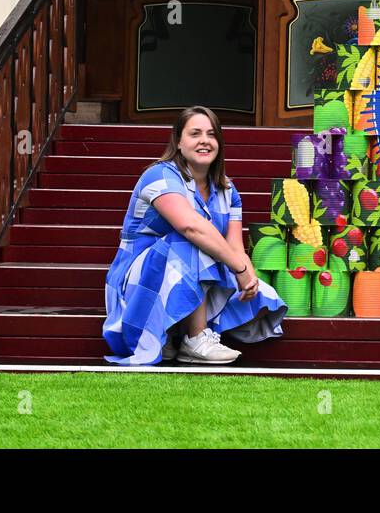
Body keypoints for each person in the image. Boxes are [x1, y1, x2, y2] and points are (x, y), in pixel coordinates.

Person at [103, 106, 286, 365]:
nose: (204, 141)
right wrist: (239, 267)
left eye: (211, 135)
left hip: (182, 272)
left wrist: (248, 274)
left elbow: (234, 244)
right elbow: (190, 226)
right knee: (194, 241)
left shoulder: (226, 189)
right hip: (139, 278)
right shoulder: (160, 176)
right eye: (195, 133)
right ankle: (195, 338)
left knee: (252, 287)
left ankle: (171, 333)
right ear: (178, 141)